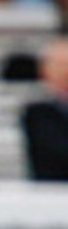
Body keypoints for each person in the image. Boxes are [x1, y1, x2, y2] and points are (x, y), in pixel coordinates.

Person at [21, 37, 68, 180]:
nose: (65, 71)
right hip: (50, 192)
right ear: (45, 70)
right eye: (60, 65)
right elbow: (50, 154)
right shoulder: (36, 113)